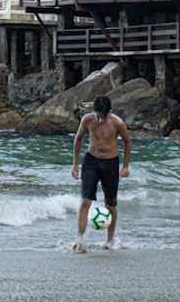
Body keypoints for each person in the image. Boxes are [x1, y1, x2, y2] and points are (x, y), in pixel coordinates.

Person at [71, 95, 131, 252]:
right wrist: (75, 165)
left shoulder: (117, 122)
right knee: (85, 201)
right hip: (91, 161)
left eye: (103, 117)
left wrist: (125, 166)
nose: (100, 120)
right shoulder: (87, 120)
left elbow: (127, 142)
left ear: (109, 112)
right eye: (97, 116)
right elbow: (78, 139)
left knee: (110, 204)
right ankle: (80, 238)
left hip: (110, 163)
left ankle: (110, 240)